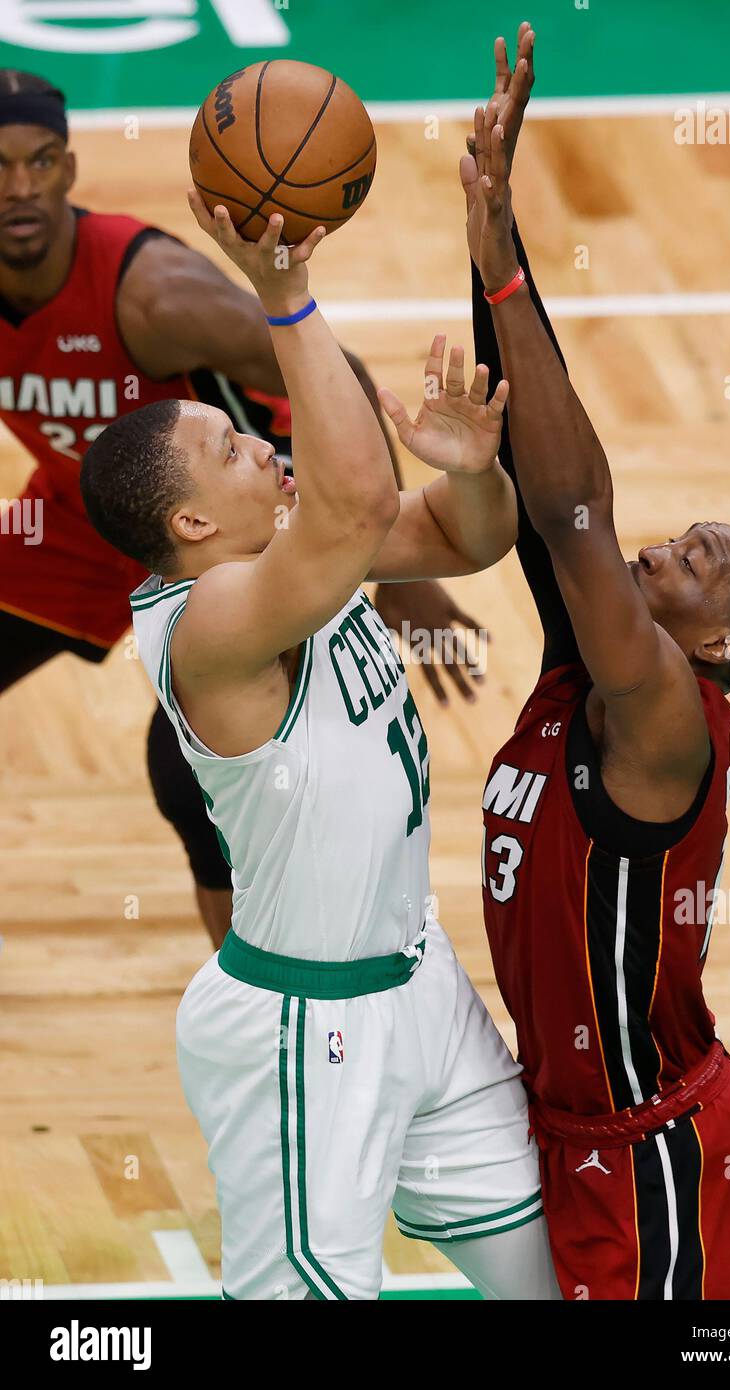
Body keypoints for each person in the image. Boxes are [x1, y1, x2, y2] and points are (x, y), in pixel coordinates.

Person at [78, 192, 561, 1302]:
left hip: (417, 984)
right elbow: (352, 511)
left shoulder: (306, 548)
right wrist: (283, 295)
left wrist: (474, 468)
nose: (258, 443)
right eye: (230, 448)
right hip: (304, 1031)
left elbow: (463, 537)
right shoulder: (208, 630)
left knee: (552, 1271)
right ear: (192, 525)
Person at [465, 27, 730, 1300]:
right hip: (556, 1125)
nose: (674, 542)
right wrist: (485, 226)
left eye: (703, 557)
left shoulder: (667, 712)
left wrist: (500, 257)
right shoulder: (591, 680)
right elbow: (544, 474)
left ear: (716, 643)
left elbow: (574, 518)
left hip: (656, 1149)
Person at [0, 68, 487, 948]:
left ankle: (253, 966)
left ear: (70, 169)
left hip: (244, 500)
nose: (20, 189)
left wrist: (389, 556)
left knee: (183, 765)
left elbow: (334, 367)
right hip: (81, 510)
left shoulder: (157, 299)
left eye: (39, 163)